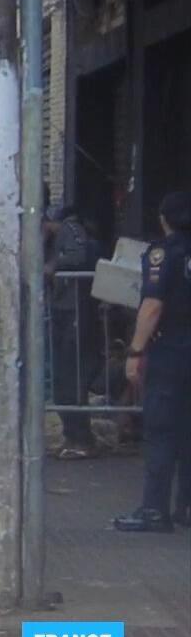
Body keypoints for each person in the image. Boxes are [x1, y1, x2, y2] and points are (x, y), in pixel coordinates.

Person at [114, 192, 191, 533]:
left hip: (171, 349)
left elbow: (153, 306)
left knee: (160, 428)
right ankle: (185, 507)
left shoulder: (164, 253)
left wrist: (135, 351)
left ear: (164, 218)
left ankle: (154, 509)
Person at [46, 206, 103, 459]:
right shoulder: (57, 236)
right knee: (63, 379)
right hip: (63, 310)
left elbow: (77, 256)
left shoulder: (69, 230)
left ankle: (80, 437)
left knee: (71, 378)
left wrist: (53, 266)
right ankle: (73, 435)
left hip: (74, 311)